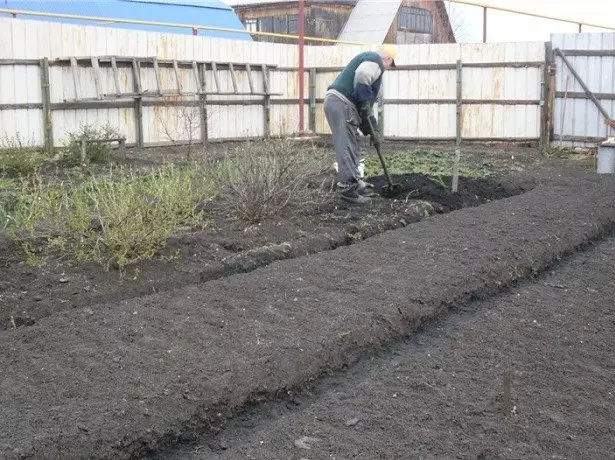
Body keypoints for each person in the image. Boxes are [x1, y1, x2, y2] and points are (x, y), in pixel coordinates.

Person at [324, 44, 397, 204]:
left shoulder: (369, 61)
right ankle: (347, 190)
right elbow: (362, 77)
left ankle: (356, 182)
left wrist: (372, 130)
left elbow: (364, 107)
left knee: (354, 141)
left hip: (343, 104)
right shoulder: (375, 59)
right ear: (388, 59)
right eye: (391, 65)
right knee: (346, 145)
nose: (388, 69)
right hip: (342, 103)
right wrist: (365, 103)